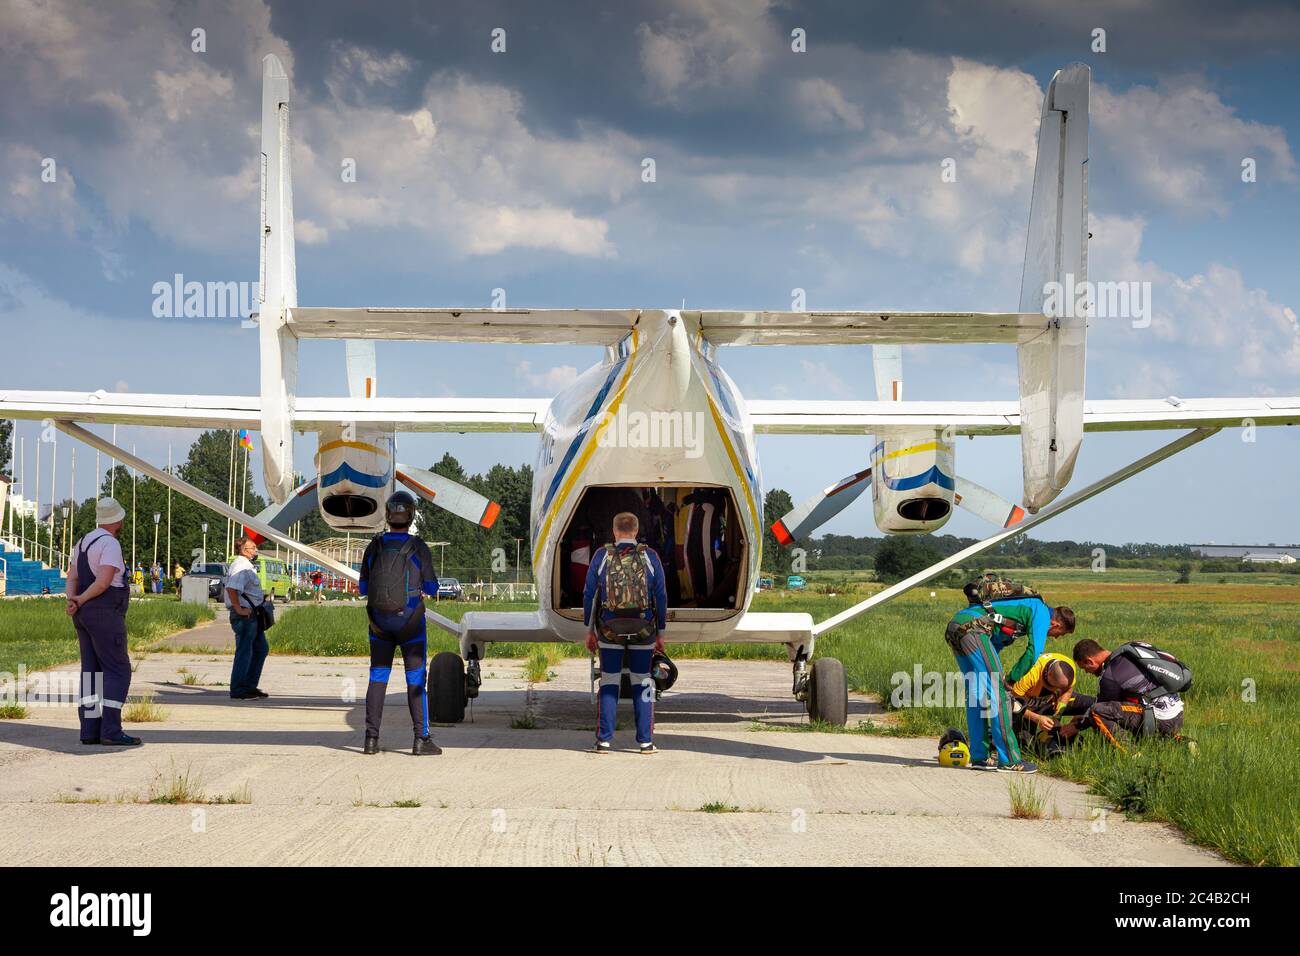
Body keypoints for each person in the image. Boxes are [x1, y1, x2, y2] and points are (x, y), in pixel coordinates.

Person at [945, 594, 1076, 773]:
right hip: (974, 630)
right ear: (1056, 624)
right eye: (1058, 635)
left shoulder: (1022, 609)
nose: (1055, 637)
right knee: (1001, 695)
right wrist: (1012, 679)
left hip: (957, 626)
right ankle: (1010, 760)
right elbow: (1034, 651)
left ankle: (979, 757)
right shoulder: (1042, 613)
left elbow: (995, 642)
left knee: (977, 695)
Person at [358, 491, 441, 756]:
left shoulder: (375, 546)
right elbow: (430, 585)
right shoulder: (418, 547)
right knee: (415, 680)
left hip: (378, 624)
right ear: (411, 515)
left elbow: (362, 587)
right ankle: (421, 739)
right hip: (410, 623)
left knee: (377, 677)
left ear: (388, 514)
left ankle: (371, 740)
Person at [583, 511, 668, 755]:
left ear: (615, 531)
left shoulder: (602, 556)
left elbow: (590, 595)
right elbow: (660, 596)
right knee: (642, 681)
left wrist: (589, 630)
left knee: (609, 681)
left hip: (609, 629)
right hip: (644, 629)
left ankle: (604, 741)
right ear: (636, 530)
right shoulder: (650, 556)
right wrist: (660, 632)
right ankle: (645, 742)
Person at [65, 498, 139, 746]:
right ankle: (111, 729)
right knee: (118, 670)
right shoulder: (110, 544)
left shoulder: (83, 542)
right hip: (104, 611)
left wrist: (72, 601)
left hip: (83, 614)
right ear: (117, 520)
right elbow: (103, 582)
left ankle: (89, 730)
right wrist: (83, 599)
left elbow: (72, 577)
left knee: (91, 672)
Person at [1059, 639, 1186, 746]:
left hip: (1159, 718)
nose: (1087, 672)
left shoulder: (1110, 673)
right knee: (1121, 709)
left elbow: (1099, 709)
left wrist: (1076, 726)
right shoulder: (1127, 656)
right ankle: (1181, 742)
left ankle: (1131, 754)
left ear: (1089, 661)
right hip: (1177, 714)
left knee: (1096, 712)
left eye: (1084, 668)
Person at [1009, 652, 1092, 754]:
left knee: (1094, 705)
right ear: (1049, 674)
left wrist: (1058, 717)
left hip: (1049, 702)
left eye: (1060, 688)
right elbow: (1012, 704)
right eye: (1055, 687)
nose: (1057, 690)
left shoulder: (1068, 668)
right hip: (1026, 707)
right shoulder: (1030, 674)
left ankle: (1067, 738)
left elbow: (1067, 691)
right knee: (1026, 747)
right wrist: (1037, 718)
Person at [223, 536, 270, 701]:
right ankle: (238, 689)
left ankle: (249, 686)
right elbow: (231, 588)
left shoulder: (246, 565)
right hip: (245, 616)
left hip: (252, 615)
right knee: (245, 650)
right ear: (244, 550)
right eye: (253, 548)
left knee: (260, 649)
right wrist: (239, 609)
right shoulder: (241, 566)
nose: (255, 551)